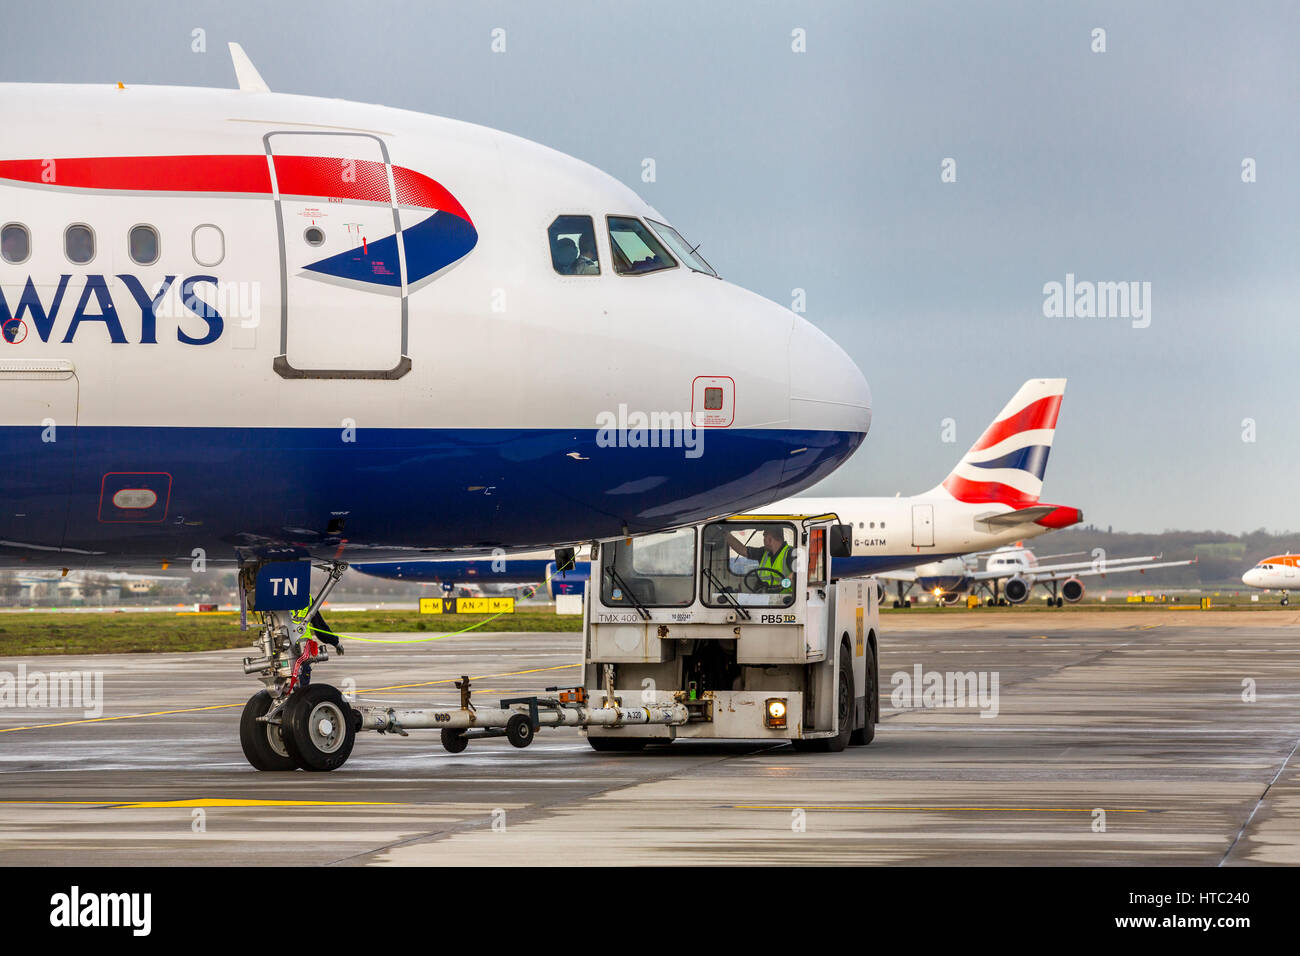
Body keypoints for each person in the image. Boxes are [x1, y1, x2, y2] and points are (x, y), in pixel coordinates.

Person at [727, 528, 792, 591]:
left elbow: (797, 573)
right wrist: (725, 534)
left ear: (770, 539)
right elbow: (742, 550)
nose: (764, 540)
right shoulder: (763, 552)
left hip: (787, 600)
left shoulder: (791, 552)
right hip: (766, 596)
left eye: (764, 537)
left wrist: (781, 585)